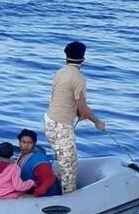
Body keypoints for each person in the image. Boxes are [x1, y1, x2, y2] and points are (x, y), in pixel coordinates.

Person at [44, 41, 104, 194]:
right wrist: (97, 122)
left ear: (66, 56)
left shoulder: (60, 73)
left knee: (62, 160)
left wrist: (77, 112)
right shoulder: (78, 78)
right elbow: (83, 108)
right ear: (83, 58)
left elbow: (61, 97)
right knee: (69, 166)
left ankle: (56, 188)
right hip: (62, 126)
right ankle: (68, 199)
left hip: (49, 121)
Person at [16, 128, 63, 197]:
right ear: (19, 142)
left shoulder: (40, 162)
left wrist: (35, 195)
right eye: (23, 142)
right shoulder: (24, 155)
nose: (26, 145)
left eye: (30, 143)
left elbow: (49, 179)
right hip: (31, 187)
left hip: (48, 195)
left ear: (34, 144)